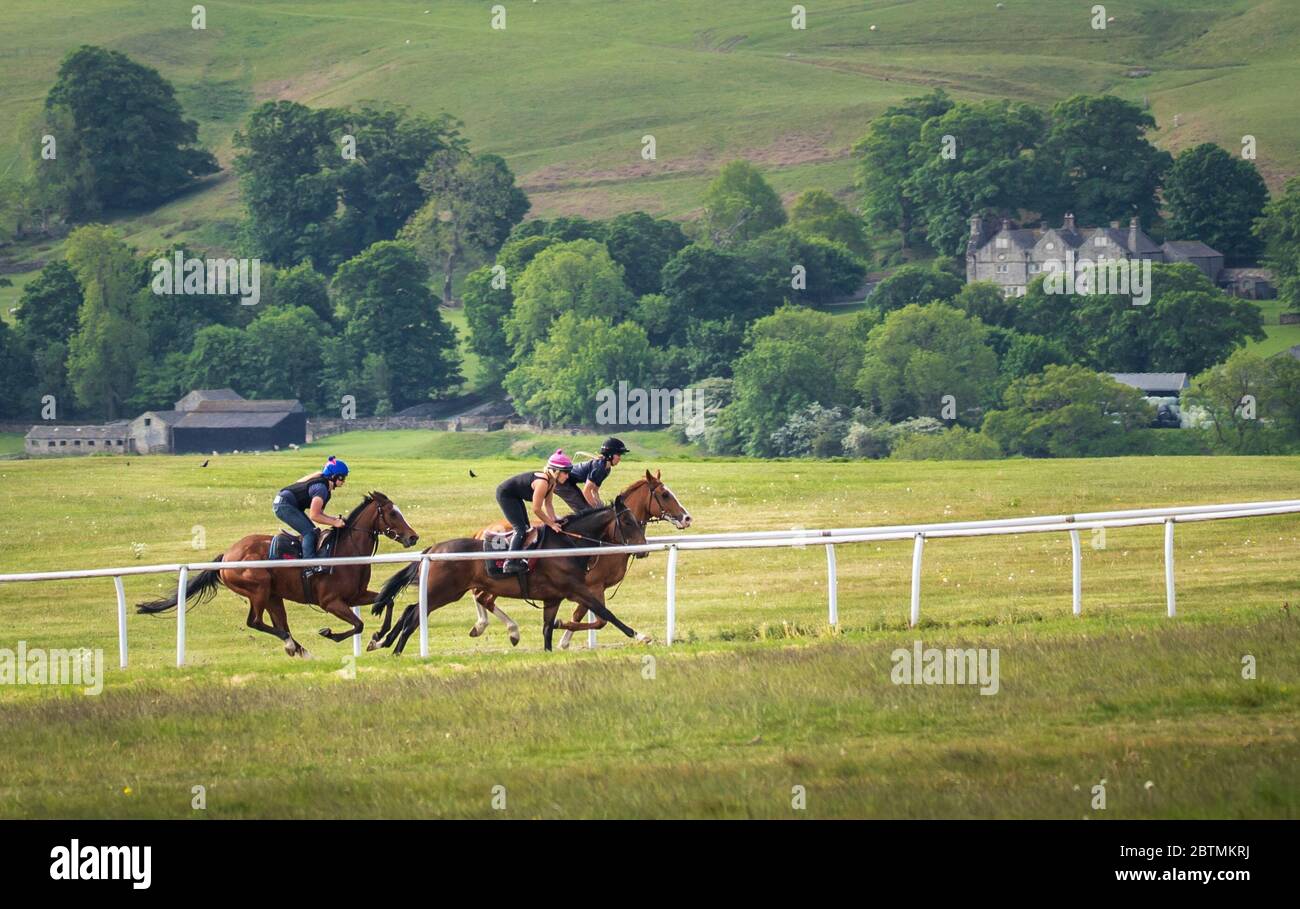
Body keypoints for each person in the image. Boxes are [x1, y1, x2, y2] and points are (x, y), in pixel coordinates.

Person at [495, 450, 571, 572]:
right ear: (555, 471)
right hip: (506, 495)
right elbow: (536, 509)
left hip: (515, 496)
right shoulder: (542, 483)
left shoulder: (552, 483)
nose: (567, 476)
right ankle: (509, 562)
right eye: (566, 472)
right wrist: (551, 524)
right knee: (520, 529)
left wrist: (555, 521)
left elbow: (548, 504)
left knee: (527, 528)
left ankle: (519, 557)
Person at [273, 457, 349, 577]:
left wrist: (334, 519)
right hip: (284, 505)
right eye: (342, 477)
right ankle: (310, 566)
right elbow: (314, 515)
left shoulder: (325, 489)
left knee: (313, 531)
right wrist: (334, 523)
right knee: (310, 532)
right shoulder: (321, 489)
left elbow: (320, 513)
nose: (344, 481)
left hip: (287, 503)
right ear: (333, 476)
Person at [555, 437, 629, 512]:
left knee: (589, 509)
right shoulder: (599, 467)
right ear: (610, 455)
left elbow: (594, 491)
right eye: (618, 455)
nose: (620, 458)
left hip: (570, 481)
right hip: (561, 481)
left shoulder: (607, 469)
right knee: (585, 511)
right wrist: (596, 509)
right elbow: (586, 491)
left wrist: (600, 505)